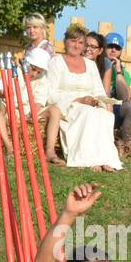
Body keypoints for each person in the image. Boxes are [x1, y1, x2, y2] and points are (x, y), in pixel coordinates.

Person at [45, 24, 123, 171]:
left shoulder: (90, 65)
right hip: (69, 106)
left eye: (80, 42)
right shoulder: (56, 62)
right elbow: (51, 94)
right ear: (65, 41)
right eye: (73, 41)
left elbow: (99, 91)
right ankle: (89, 159)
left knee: (104, 115)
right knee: (87, 113)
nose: (76, 45)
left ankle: (105, 159)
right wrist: (79, 100)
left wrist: (100, 101)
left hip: (90, 104)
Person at [99, 33, 131, 156]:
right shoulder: (96, 66)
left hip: (115, 111)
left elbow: (125, 97)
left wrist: (118, 72)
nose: (113, 50)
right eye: (110, 46)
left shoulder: (123, 72)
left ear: (121, 52)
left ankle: (127, 141)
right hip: (98, 108)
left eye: (117, 48)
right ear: (103, 48)